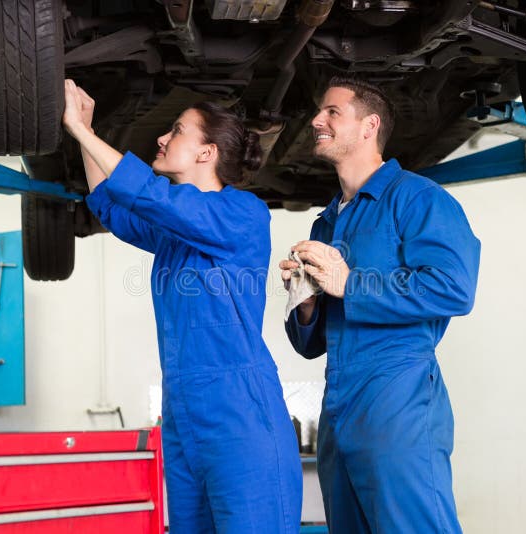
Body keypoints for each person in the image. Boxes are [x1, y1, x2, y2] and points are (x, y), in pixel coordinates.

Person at [62, 79, 302, 533]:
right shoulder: (175, 234)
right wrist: (86, 133)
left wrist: (80, 130)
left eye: (176, 131)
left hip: (240, 414)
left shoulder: (243, 212)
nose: (161, 137)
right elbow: (114, 209)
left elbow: (152, 196)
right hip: (183, 415)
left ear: (206, 152)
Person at [280, 77, 480, 533]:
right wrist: (306, 303)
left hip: (397, 401)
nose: (316, 120)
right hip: (338, 406)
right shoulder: (326, 222)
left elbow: (454, 288)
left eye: (332, 112)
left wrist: (349, 283)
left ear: (369, 126)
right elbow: (312, 344)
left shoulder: (418, 198)